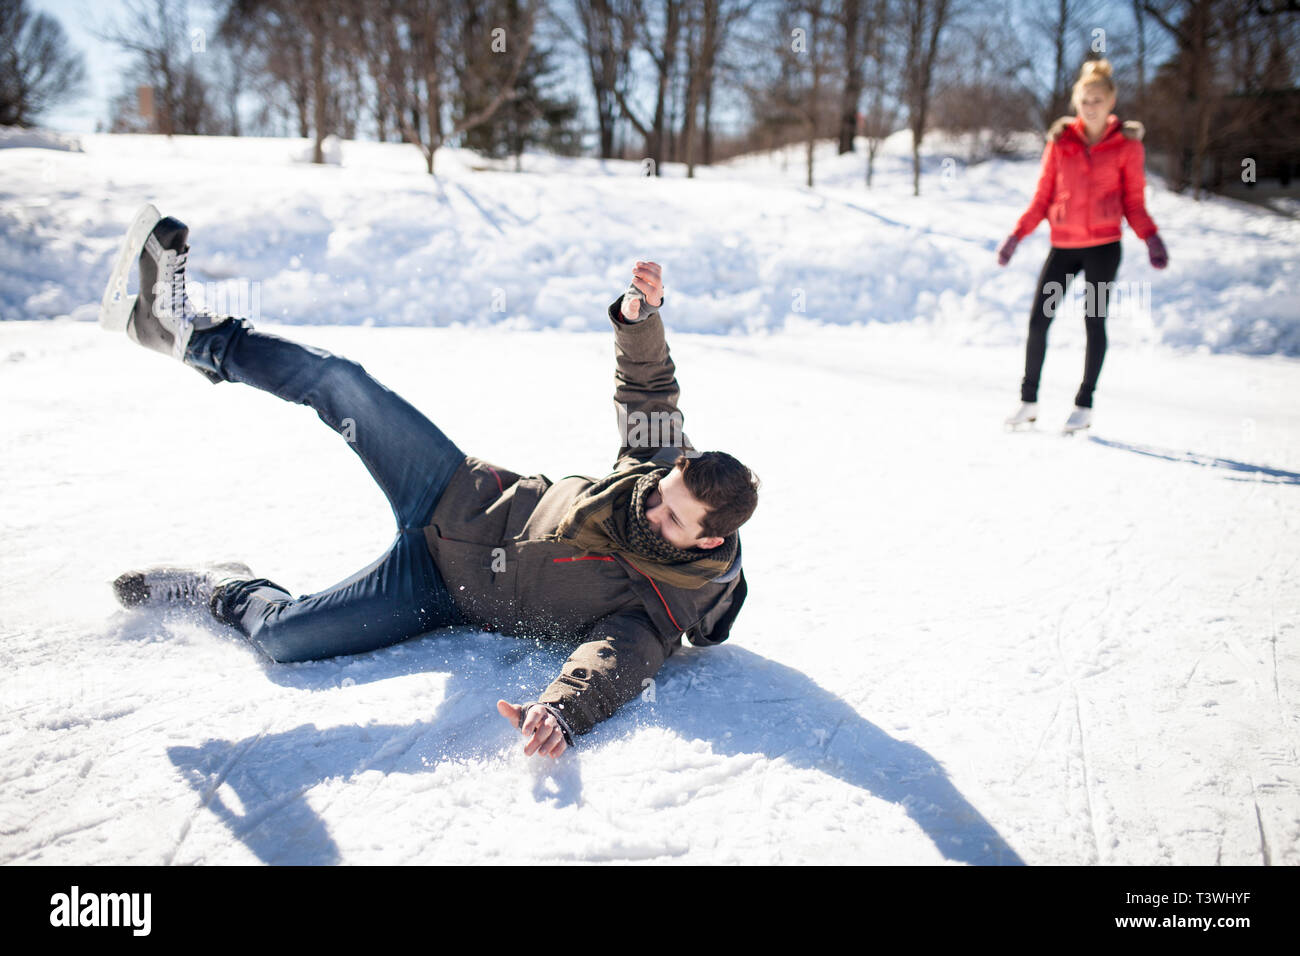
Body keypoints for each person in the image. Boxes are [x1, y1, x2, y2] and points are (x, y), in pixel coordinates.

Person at [106, 209, 758, 761]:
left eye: (673, 522)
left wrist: (559, 717)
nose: (652, 513)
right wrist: (641, 316)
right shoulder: (658, 474)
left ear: (707, 542)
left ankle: (223, 587)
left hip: (441, 588)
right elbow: (649, 389)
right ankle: (188, 334)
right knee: (342, 385)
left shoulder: (657, 614)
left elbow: (607, 671)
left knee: (284, 639)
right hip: (452, 488)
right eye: (662, 495)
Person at [996, 58, 1167, 433]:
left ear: (1110, 102)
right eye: (1085, 99)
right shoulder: (1061, 141)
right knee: (1039, 321)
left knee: (1094, 322)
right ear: (1077, 101)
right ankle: (1028, 401)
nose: (1091, 106)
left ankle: (1084, 405)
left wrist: (1150, 236)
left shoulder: (1126, 146)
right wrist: (1016, 235)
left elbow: (1134, 202)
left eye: (1098, 99)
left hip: (1103, 248)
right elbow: (1042, 197)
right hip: (1064, 247)